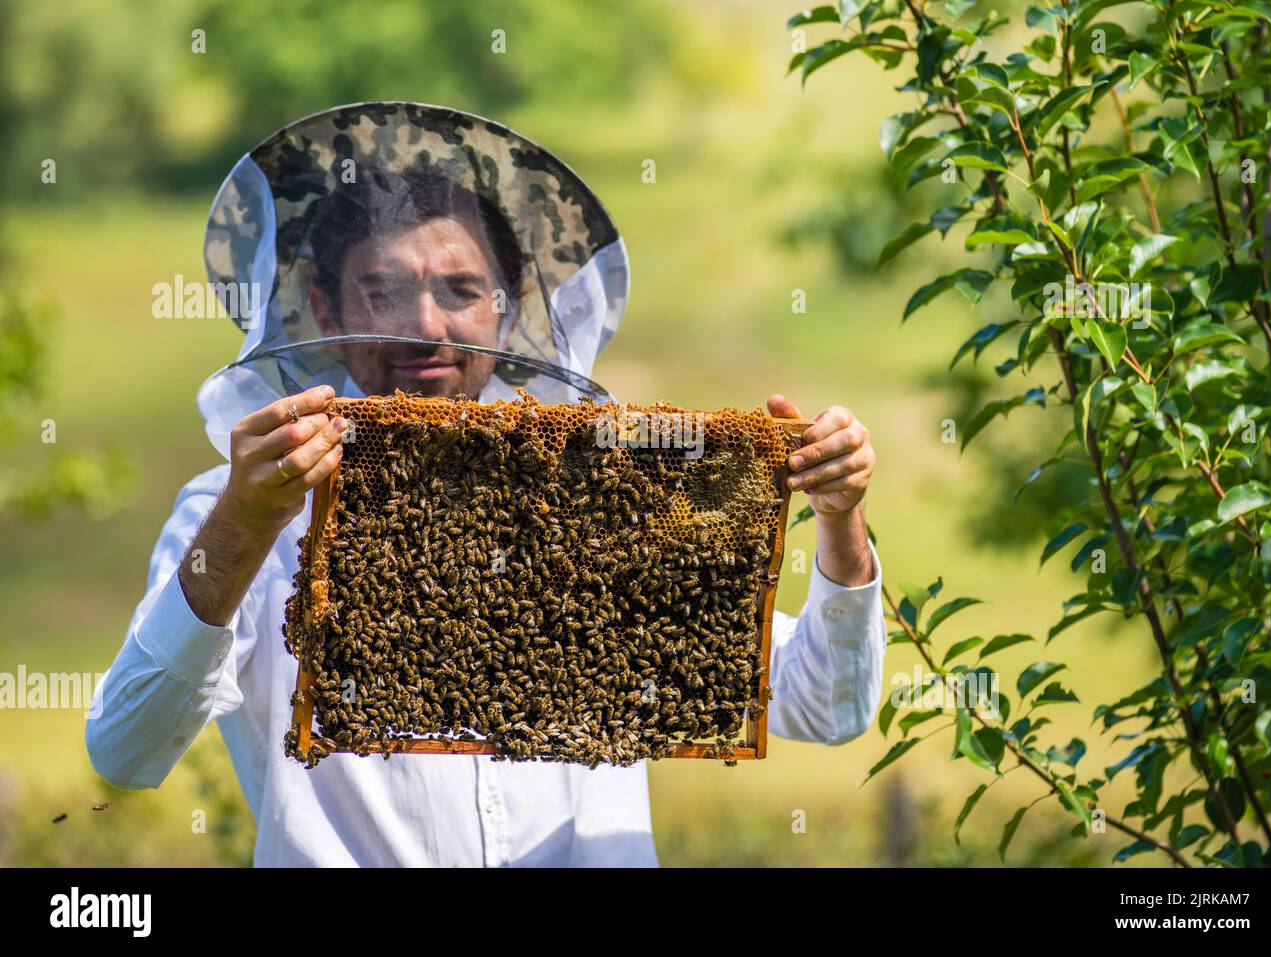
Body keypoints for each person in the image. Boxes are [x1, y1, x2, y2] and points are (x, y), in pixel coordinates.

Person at [86, 103, 887, 866]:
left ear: (509, 311)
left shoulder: (600, 496)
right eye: (386, 291)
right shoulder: (243, 507)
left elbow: (827, 702)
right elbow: (124, 746)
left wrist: (839, 517)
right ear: (326, 309)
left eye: (461, 290)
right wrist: (243, 524)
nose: (427, 326)